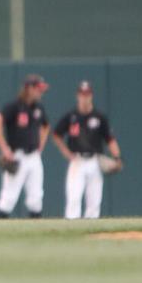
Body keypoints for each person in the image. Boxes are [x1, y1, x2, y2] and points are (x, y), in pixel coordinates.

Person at [51, 81, 122, 219]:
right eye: (82, 94)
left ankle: (91, 234)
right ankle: (71, 231)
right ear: (78, 95)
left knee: (94, 201)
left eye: (87, 94)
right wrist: (65, 152)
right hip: (77, 160)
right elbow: (56, 134)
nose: (85, 97)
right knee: (74, 198)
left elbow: (110, 139)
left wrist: (117, 158)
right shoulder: (71, 116)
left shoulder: (99, 117)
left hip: (95, 161)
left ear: (91, 96)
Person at [0, 75, 50, 219]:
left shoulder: (38, 108)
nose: (41, 93)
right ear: (29, 88)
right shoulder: (14, 107)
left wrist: (40, 146)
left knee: (36, 199)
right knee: (8, 199)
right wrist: (5, 149)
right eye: (38, 89)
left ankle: (38, 236)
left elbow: (46, 126)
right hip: (17, 156)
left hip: (34, 157)